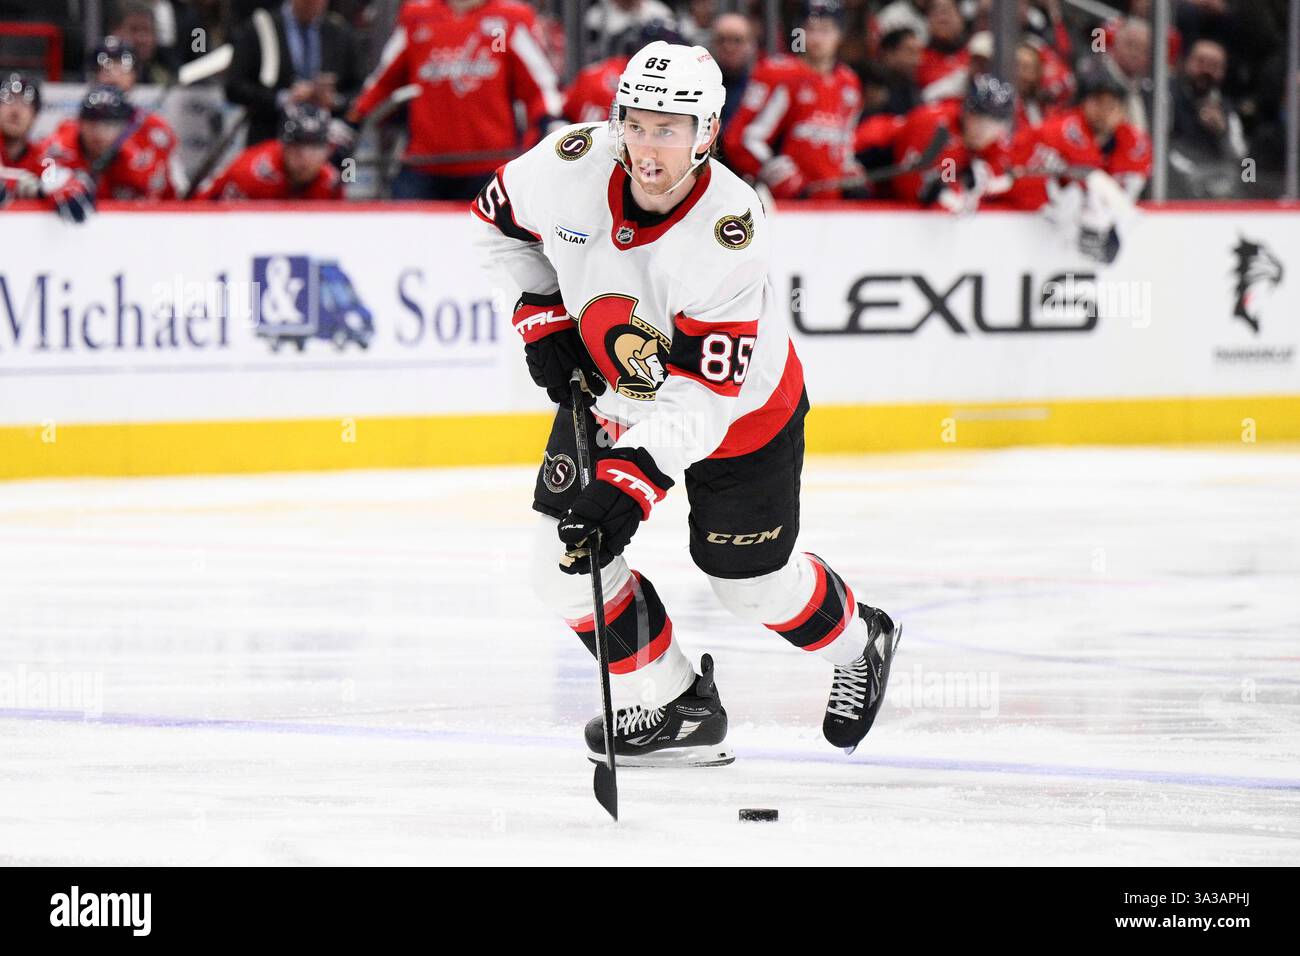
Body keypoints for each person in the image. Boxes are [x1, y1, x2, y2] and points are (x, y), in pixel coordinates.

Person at [469, 40, 902, 766]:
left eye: (668, 129)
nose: (646, 145)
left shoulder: (731, 226)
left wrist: (631, 482)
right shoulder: (572, 162)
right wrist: (540, 314)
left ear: (706, 133)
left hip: (740, 415)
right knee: (560, 567)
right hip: (615, 390)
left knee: (749, 587)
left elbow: (703, 396)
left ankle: (863, 641)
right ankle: (678, 703)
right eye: (635, 122)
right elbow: (496, 225)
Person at [349, 0, 563, 200]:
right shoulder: (417, 16)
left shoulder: (510, 17)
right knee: (403, 233)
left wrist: (550, 122)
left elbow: (539, 86)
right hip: (424, 164)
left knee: (496, 236)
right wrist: (353, 120)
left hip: (491, 165)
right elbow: (383, 81)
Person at [722, 0, 863, 199]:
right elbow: (741, 139)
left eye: (825, 30)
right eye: (810, 29)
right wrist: (778, 174)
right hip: (783, 202)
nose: (816, 38)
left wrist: (850, 172)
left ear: (839, 34)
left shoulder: (849, 82)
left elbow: (845, 143)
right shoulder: (777, 73)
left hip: (832, 203)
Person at [226, 0, 363, 147]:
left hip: (325, 144)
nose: (314, 4)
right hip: (270, 137)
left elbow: (361, 88)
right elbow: (233, 87)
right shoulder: (260, 27)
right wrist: (283, 98)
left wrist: (335, 100)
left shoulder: (340, 32)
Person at [885, 73, 1014, 213]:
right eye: (979, 117)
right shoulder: (936, 126)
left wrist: (990, 183)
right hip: (888, 200)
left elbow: (1007, 176)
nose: (984, 129)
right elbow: (909, 185)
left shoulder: (997, 141)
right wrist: (948, 192)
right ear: (965, 111)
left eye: (995, 121)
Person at [195, 103, 343, 200]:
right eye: (297, 145)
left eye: (315, 147)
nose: (306, 157)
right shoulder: (252, 174)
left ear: (328, 150)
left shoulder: (330, 183)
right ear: (282, 146)